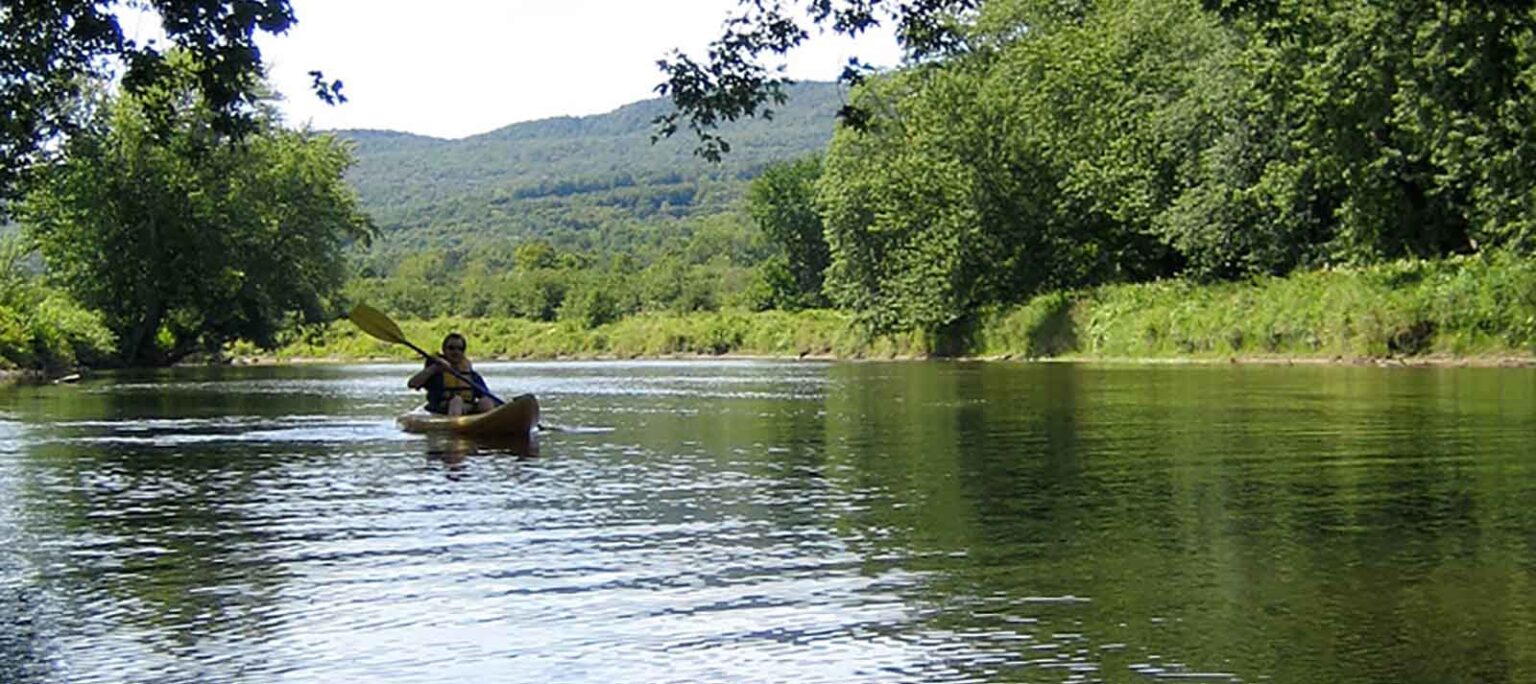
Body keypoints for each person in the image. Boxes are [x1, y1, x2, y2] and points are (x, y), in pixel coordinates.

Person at [408, 332, 496, 416]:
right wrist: (434, 368)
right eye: (451, 348)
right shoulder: (436, 373)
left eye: (460, 349)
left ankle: (490, 424)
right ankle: (455, 424)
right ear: (444, 350)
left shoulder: (470, 374)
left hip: (467, 409)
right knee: (457, 401)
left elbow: (486, 394)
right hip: (441, 410)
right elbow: (412, 384)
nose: (455, 352)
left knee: (486, 401)